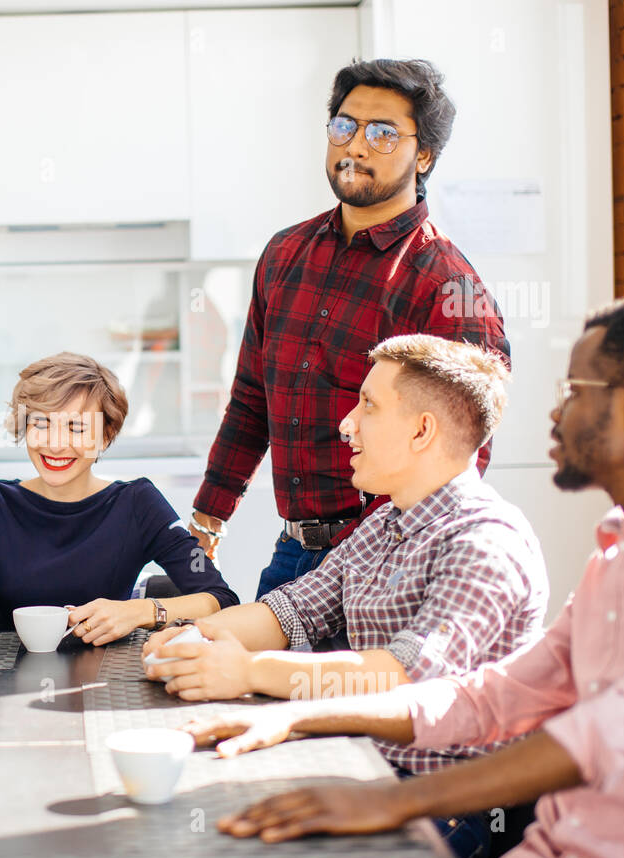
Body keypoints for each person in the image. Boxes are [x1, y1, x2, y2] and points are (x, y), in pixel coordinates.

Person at [184, 295, 624, 858]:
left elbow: (616, 727)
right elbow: (493, 696)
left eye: (574, 393)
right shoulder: (616, 552)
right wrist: (293, 713)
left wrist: (393, 802)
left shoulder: (500, 538)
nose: (556, 415)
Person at [148, 334, 548, 858]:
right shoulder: (384, 523)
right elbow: (291, 610)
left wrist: (247, 672)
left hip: (442, 803)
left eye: (368, 404)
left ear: (421, 430)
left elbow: (408, 676)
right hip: (357, 764)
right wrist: (196, 640)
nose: (346, 423)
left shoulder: (485, 540)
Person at [188, 58, 509, 609]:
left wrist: (379, 552)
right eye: (345, 125)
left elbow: (461, 456)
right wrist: (208, 516)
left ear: (424, 155)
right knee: (261, 691)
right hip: (292, 555)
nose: (356, 146)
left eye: (384, 134)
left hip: (388, 564)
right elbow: (250, 401)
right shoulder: (285, 253)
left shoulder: (447, 285)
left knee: (359, 695)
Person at [0, 353, 239, 663]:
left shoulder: (140, 504)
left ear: (106, 436)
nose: (55, 443)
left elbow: (219, 599)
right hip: (10, 682)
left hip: (108, 681)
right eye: (41, 424)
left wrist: (140, 611)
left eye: (76, 428)